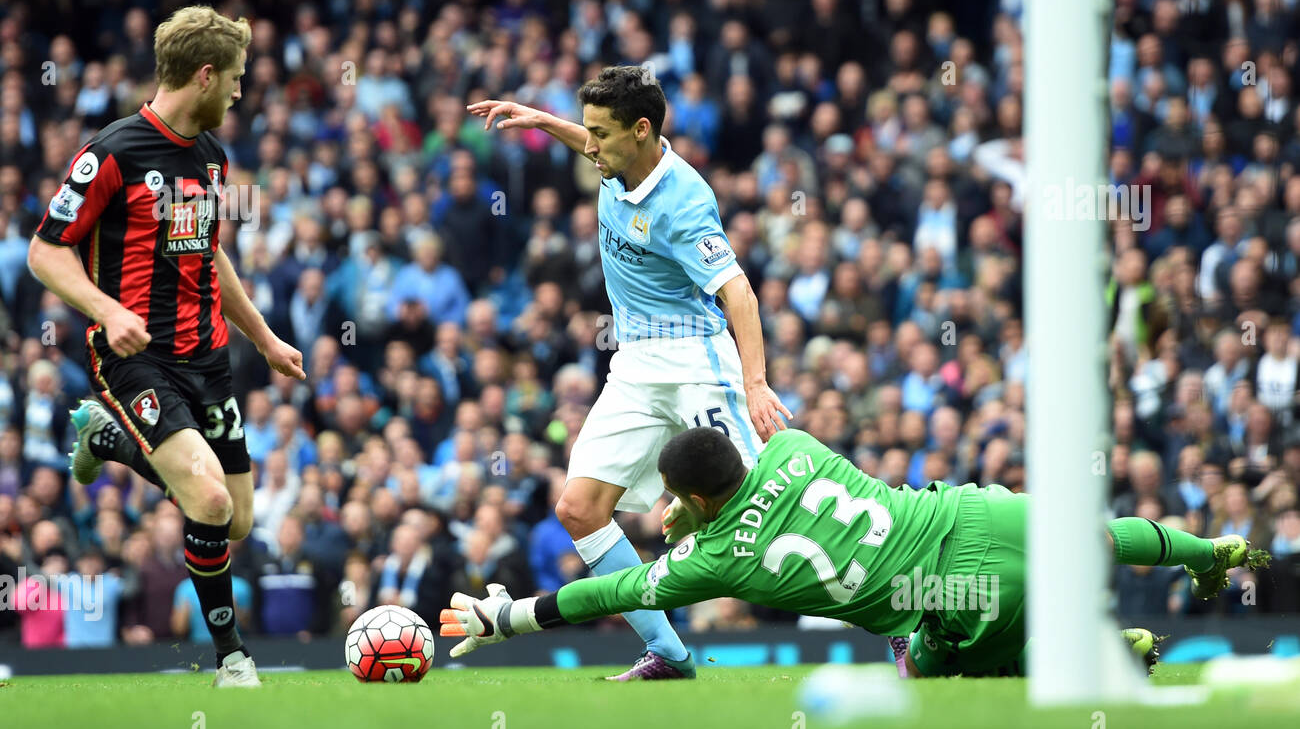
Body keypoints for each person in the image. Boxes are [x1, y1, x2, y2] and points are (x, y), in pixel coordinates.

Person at [440, 426, 1270, 677]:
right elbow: (740, 458)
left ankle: (1100, 654)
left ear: (690, 502)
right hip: (972, 510)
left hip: (952, 590)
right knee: (1085, 536)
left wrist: (506, 614)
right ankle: (1206, 550)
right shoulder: (794, 446)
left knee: (921, 664)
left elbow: (603, 596)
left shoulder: (708, 561)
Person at [466, 67, 792, 679]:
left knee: (767, 512)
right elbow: (590, 141)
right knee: (580, 508)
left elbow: (739, 293)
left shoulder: (684, 203)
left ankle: (898, 620)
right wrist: (540, 119)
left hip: (697, 361)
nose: (588, 145)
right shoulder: (616, 161)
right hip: (636, 364)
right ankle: (669, 655)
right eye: (584, 130)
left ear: (641, 131)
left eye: (599, 134)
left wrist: (753, 384)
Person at [27, 5, 305, 687]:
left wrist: (264, 338)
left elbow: (210, 256)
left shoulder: (211, 156)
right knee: (208, 503)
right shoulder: (112, 152)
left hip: (208, 361)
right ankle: (233, 659)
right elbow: (44, 252)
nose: (240, 93)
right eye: (235, 79)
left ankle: (110, 440)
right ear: (205, 76)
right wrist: (105, 309)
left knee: (237, 521)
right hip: (135, 358)